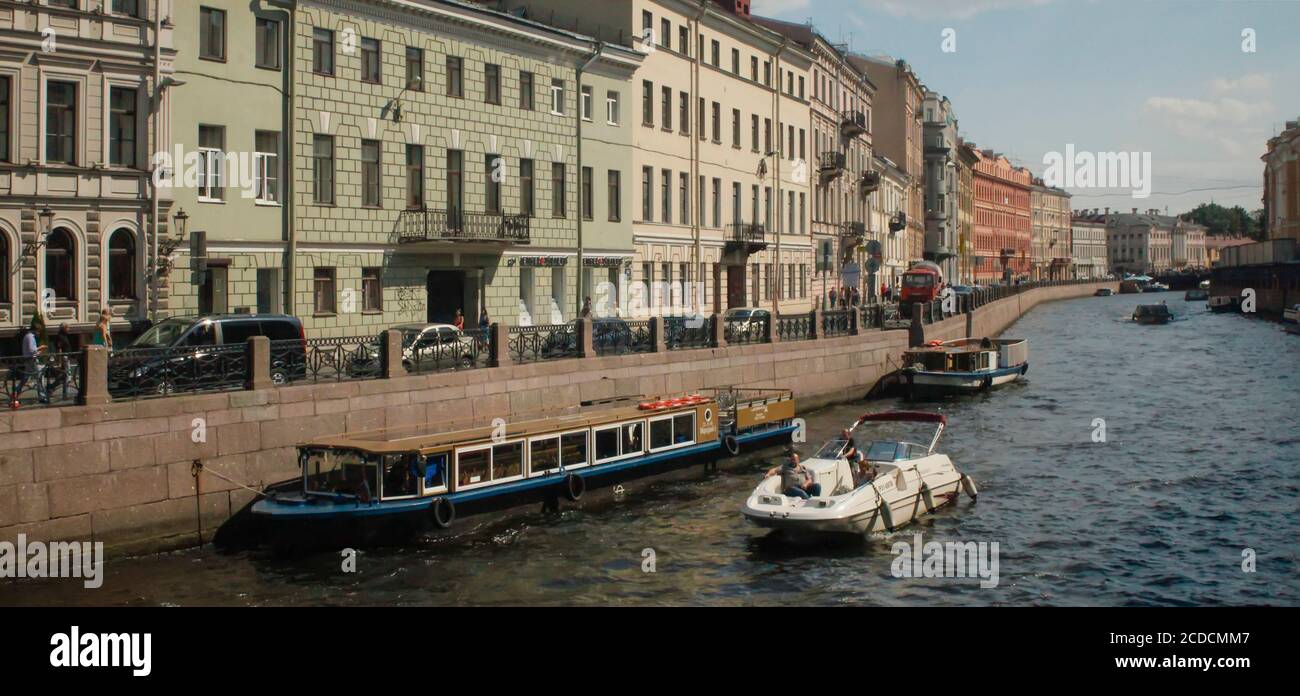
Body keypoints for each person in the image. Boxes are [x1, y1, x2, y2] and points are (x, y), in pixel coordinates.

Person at [17, 319, 48, 404]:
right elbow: (31, 350)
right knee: (40, 376)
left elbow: (31, 350)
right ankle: (42, 396)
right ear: (35, 330)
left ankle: (16, 392)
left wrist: (38, 352)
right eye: (38, 331)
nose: (39, 333)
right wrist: (40, 347)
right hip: (32, 360)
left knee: (26, 378)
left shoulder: (28, 336)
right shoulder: (30, 337)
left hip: (30, 359)